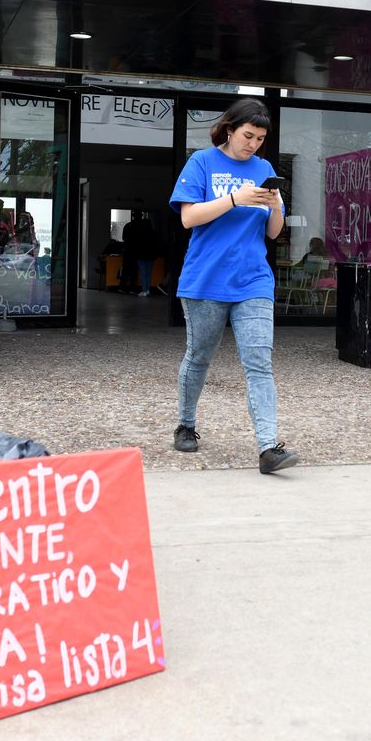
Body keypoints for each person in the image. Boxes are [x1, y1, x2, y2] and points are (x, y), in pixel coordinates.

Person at [168, 98, 297, 476]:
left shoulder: (265, 169)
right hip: (206, 280)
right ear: (229, 129)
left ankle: (269, 447)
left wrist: (275, 205)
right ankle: (186, 424)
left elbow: (273, 232)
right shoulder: (202, 163)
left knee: (259, 363)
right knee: (199, 357)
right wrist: (234, 198)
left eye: (260, 138)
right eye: (248, 135)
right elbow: (189, 218)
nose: (253, 144)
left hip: (254, 280)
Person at [121, 210, 160, 297]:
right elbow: (156, 244)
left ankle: (143, 290)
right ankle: (148, 290)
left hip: (139, 255)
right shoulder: (153, 232)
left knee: (142, 272)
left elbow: (127, 239)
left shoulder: (138, 231)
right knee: (149, 273)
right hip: (151, 256)